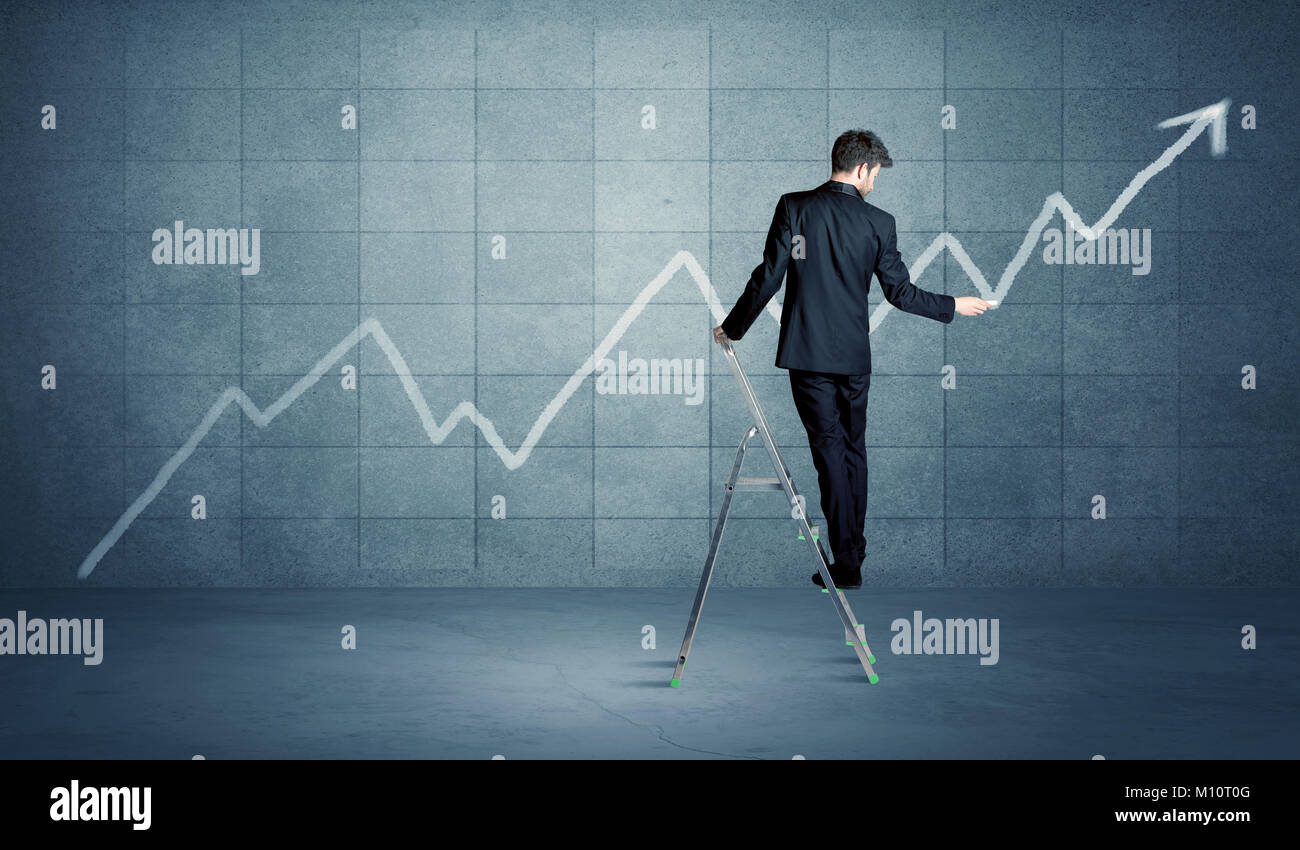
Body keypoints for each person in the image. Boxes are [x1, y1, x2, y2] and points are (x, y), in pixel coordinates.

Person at [713, 129, 992, 589]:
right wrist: (952, 304)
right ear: (862, 168)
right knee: (853, 452)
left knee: (828, 452)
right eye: (876, 174)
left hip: (808, 355)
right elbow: (899, 294)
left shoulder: (795, 207)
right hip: (854, 359)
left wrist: (734, 326)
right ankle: (853, 554)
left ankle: (845, 561)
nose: (875, 184)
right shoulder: (879, 222)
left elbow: (768, 277)